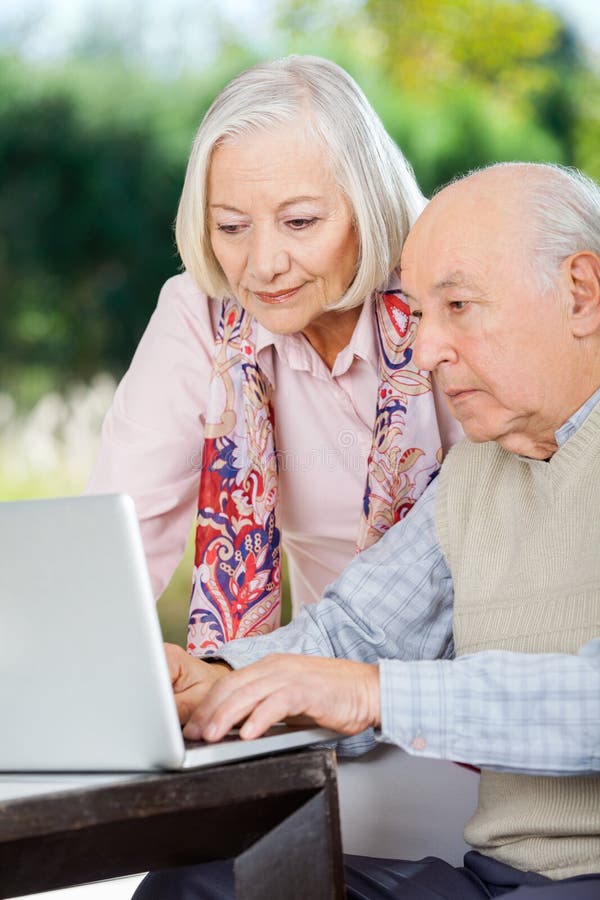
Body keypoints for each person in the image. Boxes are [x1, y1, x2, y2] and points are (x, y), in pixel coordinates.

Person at [133, 162, 600, 899]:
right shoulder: (477, 471)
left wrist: (376, 695)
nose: (426, 349)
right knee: (197, 887)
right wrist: (216, 683)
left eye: (459, 305)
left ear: (581, 292)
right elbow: (357, 634)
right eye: (419, 313)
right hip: (498, 881)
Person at [87, 55, 460, 654]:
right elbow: (113, 542)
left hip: (485, 671)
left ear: (369, 204)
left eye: (300, 221)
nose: (263, 266)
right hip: (319, 680)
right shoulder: (201, 318)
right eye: (231, 227)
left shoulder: (450, 302)